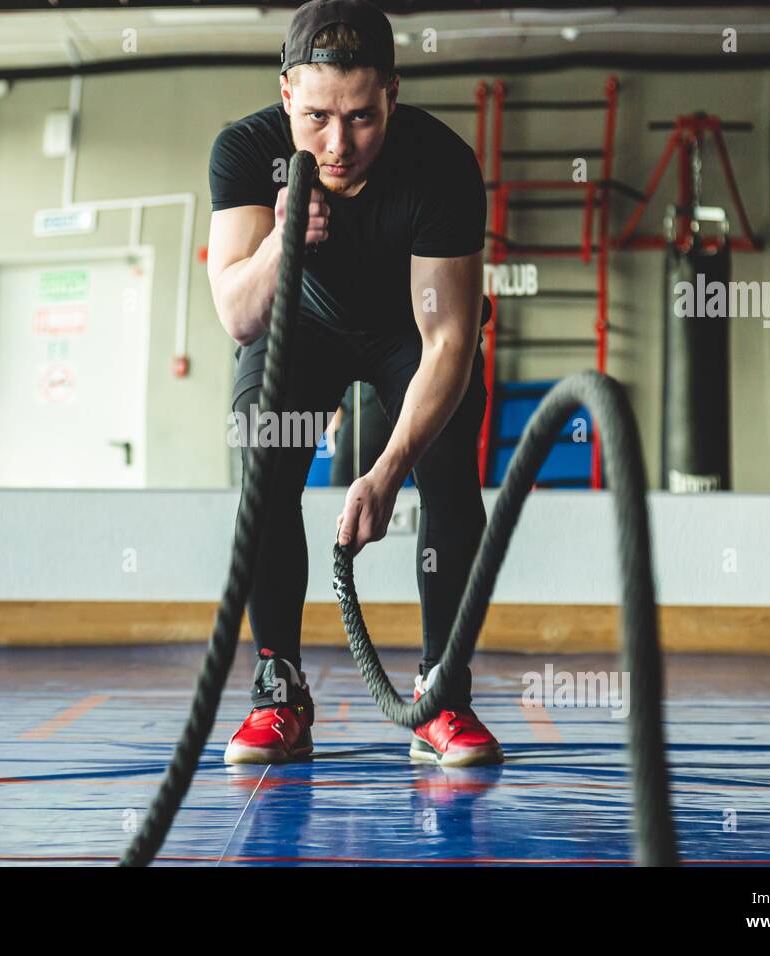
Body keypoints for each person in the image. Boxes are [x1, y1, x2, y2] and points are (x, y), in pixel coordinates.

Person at [206, 0, 500, 767]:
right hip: (299, 326)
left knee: (447, 471)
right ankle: (278, 693)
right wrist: (280, 244)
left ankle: (443, 695)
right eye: (317, 119)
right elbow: (238, 316)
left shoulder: (441, 164)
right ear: (286, 98)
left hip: (410, 330)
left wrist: (386, 468)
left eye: (363, 118)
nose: (339, 145)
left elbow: (447, 340)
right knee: (266, 464)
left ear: (392, 97)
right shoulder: (244, 150)